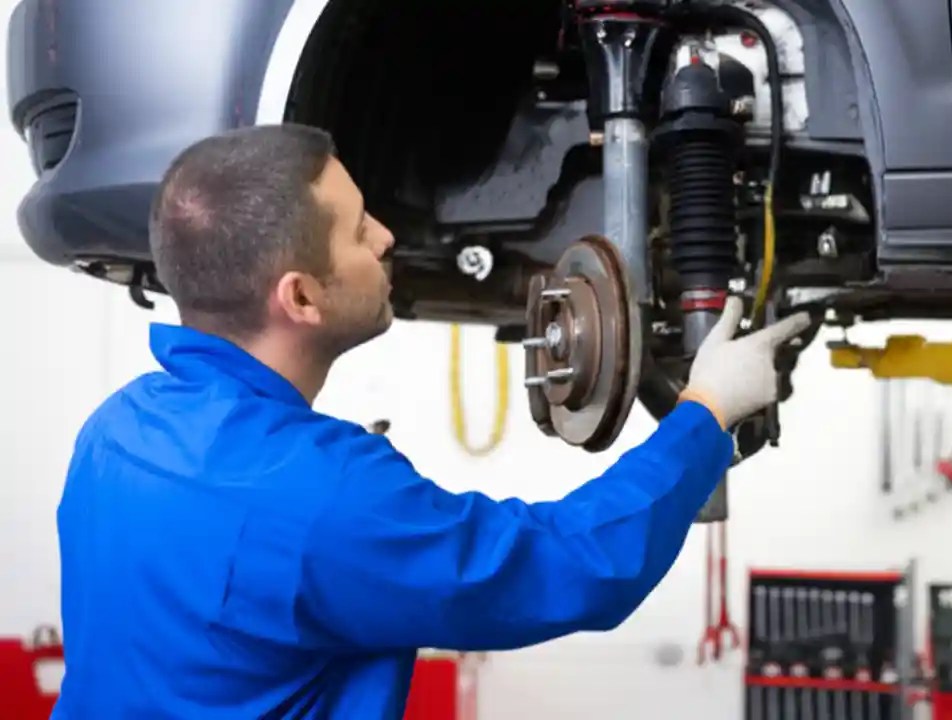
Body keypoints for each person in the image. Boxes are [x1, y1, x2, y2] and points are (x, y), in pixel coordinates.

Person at [53, 123, 811, 719]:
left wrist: (340, 522)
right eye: (357, 230)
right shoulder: (324, 498)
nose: (386, 235)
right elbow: (573, 570)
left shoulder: (114, 433)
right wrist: (705, 411)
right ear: (301, 297)